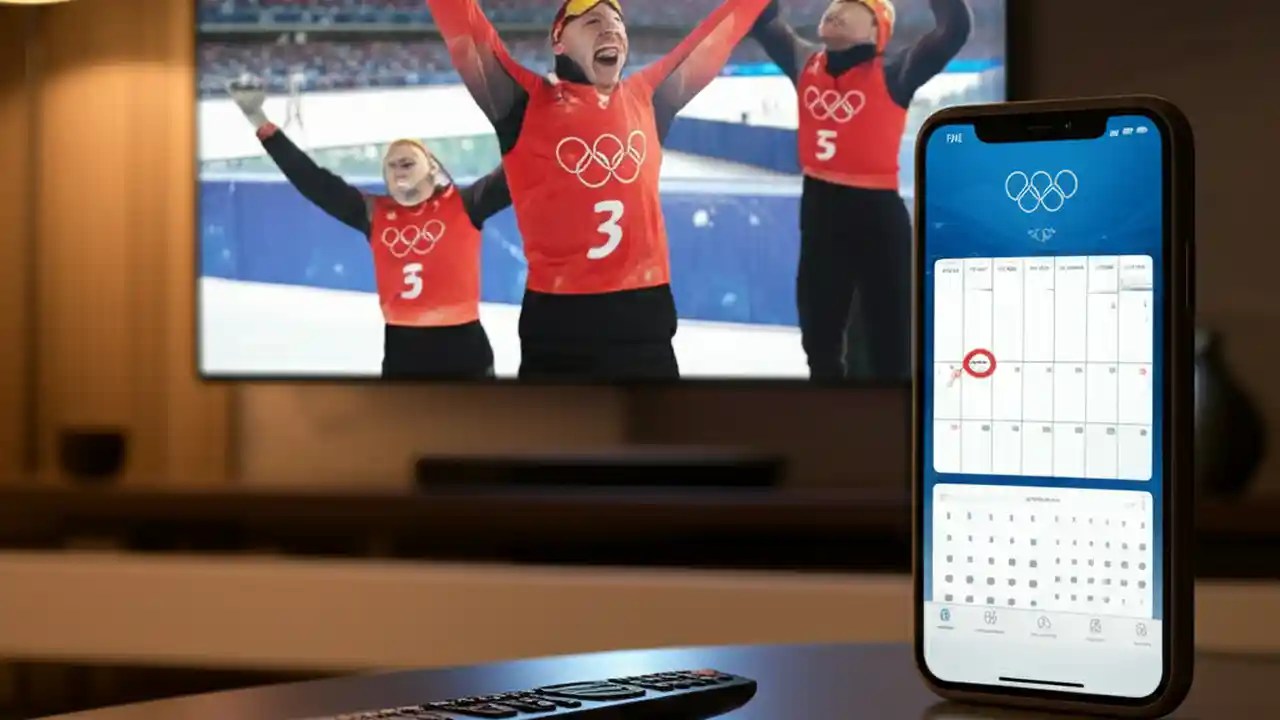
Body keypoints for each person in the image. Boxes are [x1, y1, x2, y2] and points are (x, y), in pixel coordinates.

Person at [423, 0, 772, 380]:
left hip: (644, 321)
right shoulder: (524, 103)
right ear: (559, 42)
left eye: (617, 22)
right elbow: (465, 27)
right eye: (592, 22)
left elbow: (715, 37)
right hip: (559, 326)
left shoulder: (647, 97)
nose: (610, 29)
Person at [227, 75, 512, 379]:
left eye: (407, 163)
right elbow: (312, 180)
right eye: (391, 165)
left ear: (432, 168)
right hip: (402, 355)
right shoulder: (373, 212)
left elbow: (520, 169)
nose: (398, 170)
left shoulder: (465, 204)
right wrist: (258, 120)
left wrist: (540, 113)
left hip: (465, 353)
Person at [750, 0, 972, 381]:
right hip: (819, 209)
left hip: (877, 218)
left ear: (875, 30)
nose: (836, 8)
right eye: (836, 2)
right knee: (819, 345)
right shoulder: (805, 61)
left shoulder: (894, 70)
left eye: (853, 5)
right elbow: (762, 18)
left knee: (890, 348)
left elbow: (954, 31)